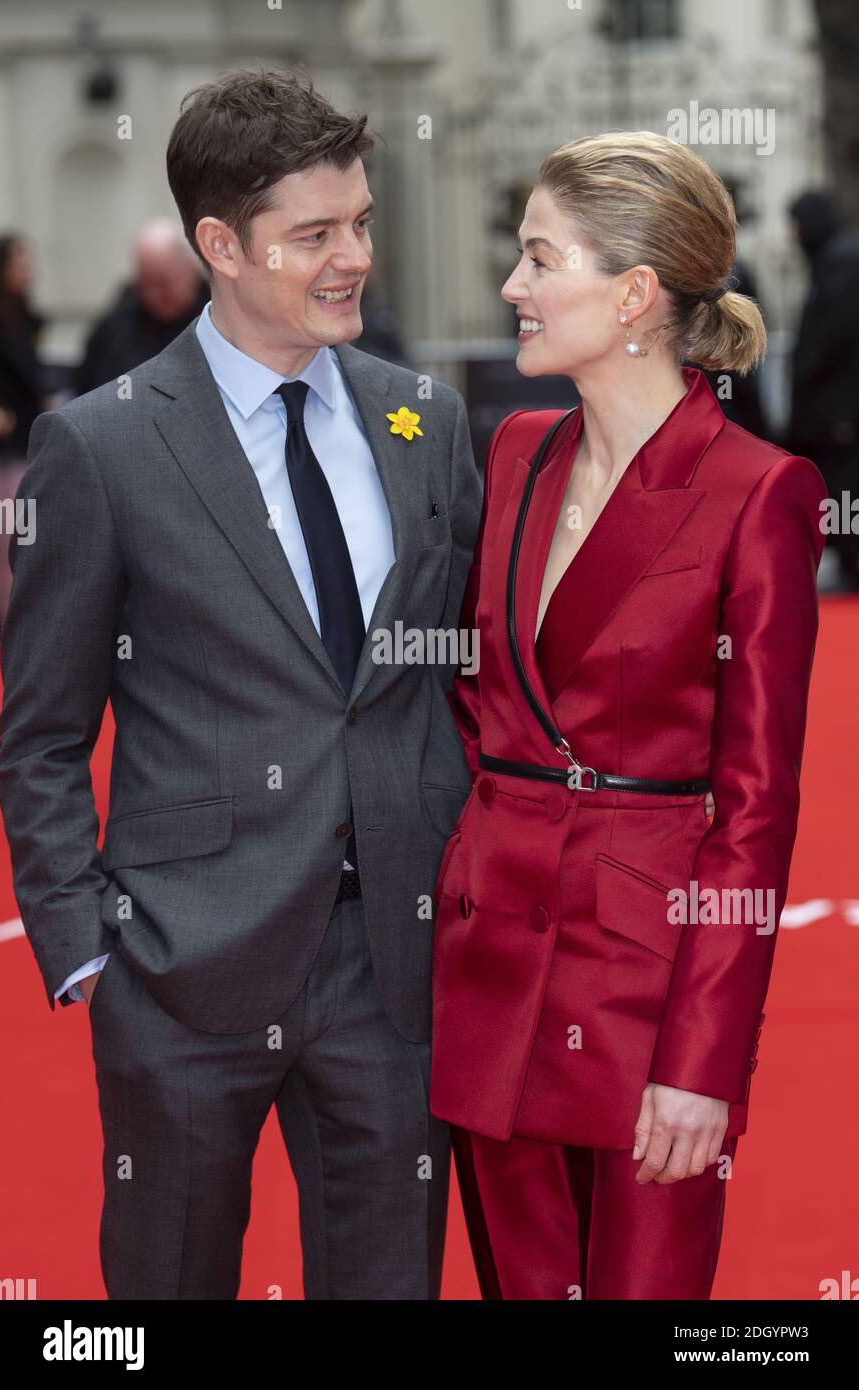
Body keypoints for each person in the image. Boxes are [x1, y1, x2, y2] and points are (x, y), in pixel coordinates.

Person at [0, 67, 480, 1300]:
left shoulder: (425, 418)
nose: (352, 257)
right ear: (219, 243)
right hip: (179, 971)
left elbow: (455, 677)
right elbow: (41, 730)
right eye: (313, 234)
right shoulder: (99, 444)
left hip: (394, 967)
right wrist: (85, 950)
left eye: (361, 222)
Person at [429, 131, 826, 1300]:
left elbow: (755, 811)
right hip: (491, 972)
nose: (511, 286)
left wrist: (701, 1065)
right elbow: (471, 701)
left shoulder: (758, 493)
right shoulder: (511, 450)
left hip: (642, 998)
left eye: (538, 258)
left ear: (634, 293)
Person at [787, 191, 859, 592]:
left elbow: (832, 343)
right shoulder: (834, 261)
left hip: (840, 414)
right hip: (834, 413)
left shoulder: (842, 265)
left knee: (846, 487)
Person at [74, 218, 210, 396]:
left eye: (163, 284)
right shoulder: (117, 324)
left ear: (191, 269)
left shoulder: (221, 318)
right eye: (146, 284)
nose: (153, 296)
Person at [0, 234, 47, 638]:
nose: (25, 271)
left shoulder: (26, 317)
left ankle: (20, 611)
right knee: (5, 530)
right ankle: (7, 616)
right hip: (2, 447)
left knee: (24, 530)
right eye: (18, 262)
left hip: (27, 439)